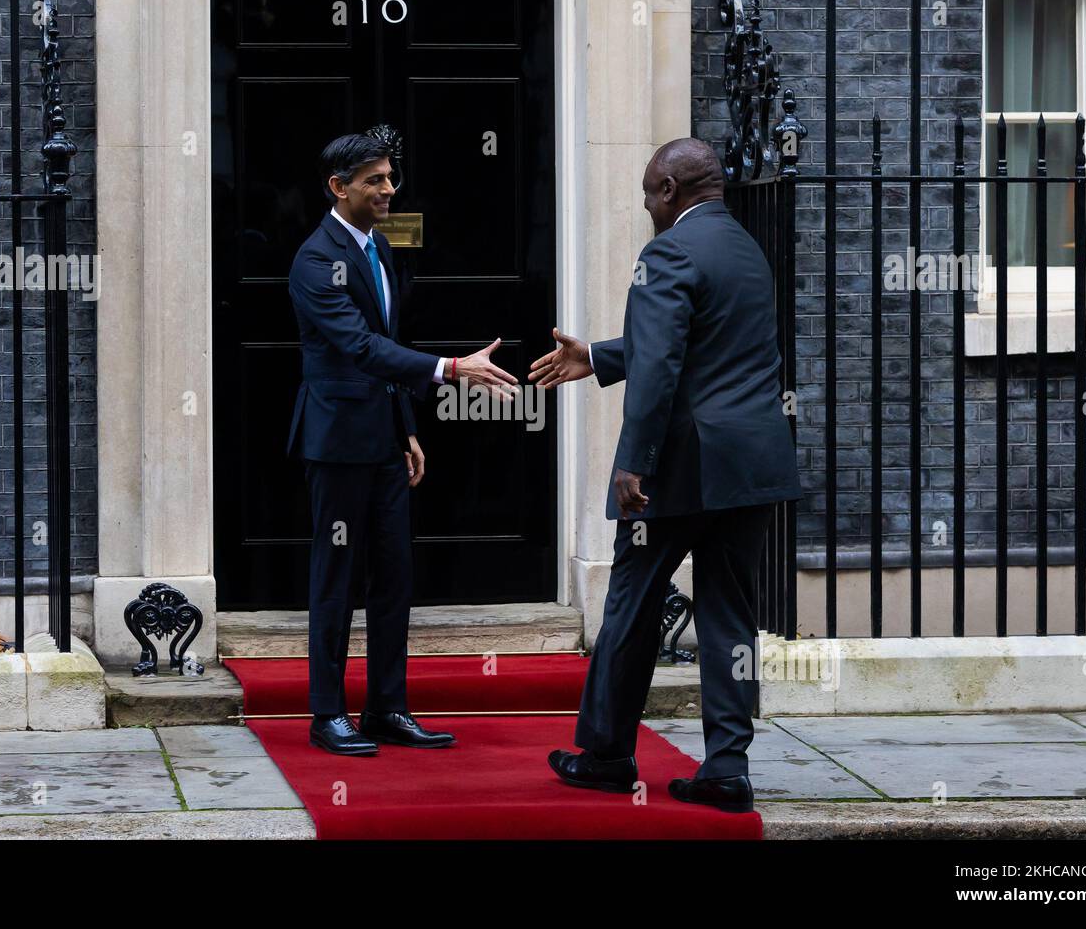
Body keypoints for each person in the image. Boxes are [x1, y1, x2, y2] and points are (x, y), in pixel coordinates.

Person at [529, 138, 802, 811]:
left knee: (632, 603)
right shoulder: (746, 248)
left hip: (680, 469)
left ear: (670, 191)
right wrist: (599, 355)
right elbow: (698, 342)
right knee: (730, 612)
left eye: (650, 194)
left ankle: (606, 754)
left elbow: (658, 368)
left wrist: (632, 462)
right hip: (750, 465)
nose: (648, 207)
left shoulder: (668, 252)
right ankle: (727, 767)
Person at [287, 132, 517, 756]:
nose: (389, 189)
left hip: (385, 441)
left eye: (391, 177)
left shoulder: (381, 249)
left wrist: (406, 428)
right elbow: (359, 347)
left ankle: (387, 708)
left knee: (393, 578)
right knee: (336, 579)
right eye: (376, 180)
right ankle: (327, 714)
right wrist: (450, 369)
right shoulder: (316, 260)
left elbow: (385, 346)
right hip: (337, 444)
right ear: (339, 188)